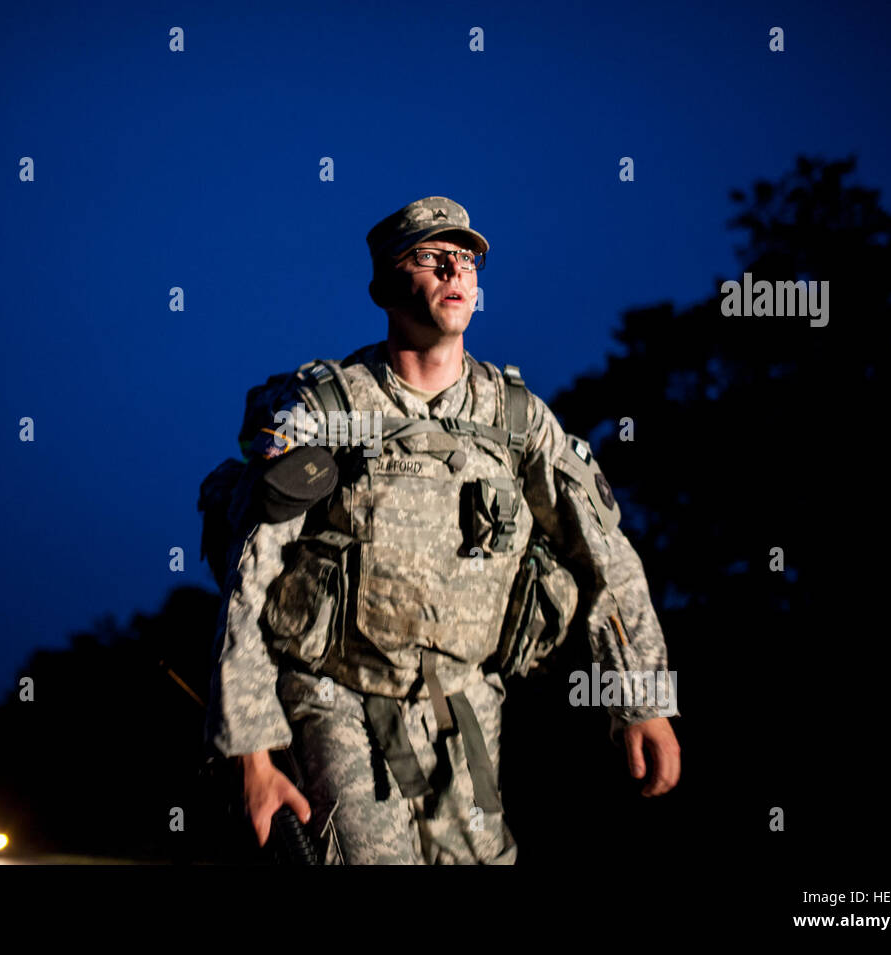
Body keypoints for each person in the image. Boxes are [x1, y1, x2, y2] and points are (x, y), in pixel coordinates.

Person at [204, 196, 680, 864]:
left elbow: (605, 555)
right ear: (384, 285)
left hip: (466, 705)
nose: (456, 268)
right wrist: (251, 750)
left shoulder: (516, 420)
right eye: (430, 256)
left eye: (467, 257)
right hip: (338, 700)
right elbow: (252, 573)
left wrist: (642, 701)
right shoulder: (328, 408)